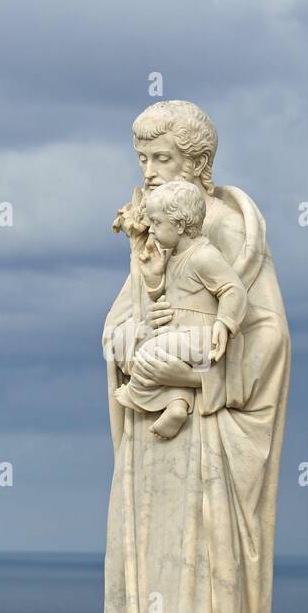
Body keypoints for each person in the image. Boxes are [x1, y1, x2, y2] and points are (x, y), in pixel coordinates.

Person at [84, 101, 290, 613]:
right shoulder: (153, 223)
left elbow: (267, 330)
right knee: (135, 566)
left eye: (161, 159)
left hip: (198, 434)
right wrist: (122, 335)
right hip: (149, 435)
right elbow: (130, 308)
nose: (147, 172)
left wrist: (205, 366)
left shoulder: (217, 225)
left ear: (199, 163)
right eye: (141, 159)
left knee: (185, 570)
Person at [114, 180, 248, 440]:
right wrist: (154, 282)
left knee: (147, 353)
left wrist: (224, 323)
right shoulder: (172, 256)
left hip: (197, 337)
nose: (150, 230)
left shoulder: (203, 256)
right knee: (125, 343)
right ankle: (177, 405)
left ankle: (137, 392)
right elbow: (170, 296)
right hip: (180, 334)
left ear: (179, 225)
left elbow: (233, 289)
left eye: (156, 223)